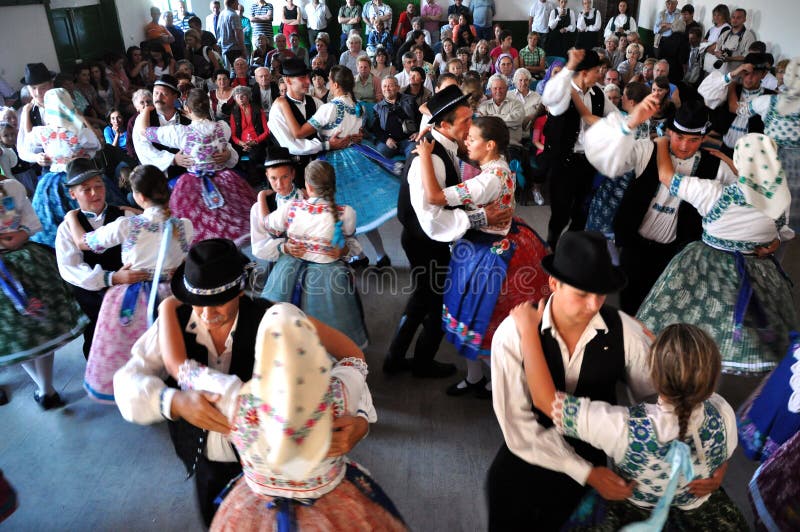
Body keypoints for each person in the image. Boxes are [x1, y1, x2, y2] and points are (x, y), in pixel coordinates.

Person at [114, 238, 372, 526]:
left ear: (239, 290)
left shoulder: (273, 323)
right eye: (199, 303)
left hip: (267, 472)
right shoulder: (173, 325)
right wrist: (173, 402)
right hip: (207, 463)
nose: (208, 315)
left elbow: (179, 366)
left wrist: (360, 419)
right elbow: (127, 381)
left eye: (218, 302)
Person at [162, 301, 405, 530]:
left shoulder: (238, 402)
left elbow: (178, 366)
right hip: (333, 505)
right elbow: (355, 358)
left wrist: (167, 307)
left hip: (254, 511)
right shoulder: (337, 395)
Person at [512, 296, 746, 530]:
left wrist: (528, 332)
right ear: (712, 379)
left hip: (632, 517)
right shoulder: (723, 412)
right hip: (700, 517)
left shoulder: (623, 429)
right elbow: (724, 455)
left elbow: (546, 401)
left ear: (653, 373)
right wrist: (718, 473)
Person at [487, 230, 655, 530]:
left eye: (601, 294)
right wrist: (585, 472)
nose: (594, 305)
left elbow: (654, 404)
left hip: (591, 477)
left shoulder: (627, 332)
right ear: (554, 283)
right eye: (582, 294)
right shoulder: (512, 334)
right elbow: (518, 426)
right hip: (524, 470)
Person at [637, 132, 797, 375]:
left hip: (707, 265)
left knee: (695, 319)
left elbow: (667, 176)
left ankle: (686, 372)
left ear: (741, 162)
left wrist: (661, 143)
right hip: (754, 269)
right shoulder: (781, 201)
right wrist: (771, 245)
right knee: (733, 327)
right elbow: (778, 236)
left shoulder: (714, 194)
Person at [414, 116, 550, 398]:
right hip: (488, 244)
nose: (466, 141)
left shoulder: (489, 180)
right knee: (470, 315)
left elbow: (435, 197)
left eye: (472, 138)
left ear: (489, 145)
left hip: (488, 256)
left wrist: (425, 155)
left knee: (478, 318)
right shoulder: (498, 166)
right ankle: (476, 378)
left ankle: (498, 384)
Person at [385, 85, 511, 378]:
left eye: (471, 117)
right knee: (438, 300)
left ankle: (396, 358)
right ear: (443, 125)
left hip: (426, 238)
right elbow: (432, 217)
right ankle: (421, 362)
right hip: (425, 240)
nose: (472, 126)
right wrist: (482, 217)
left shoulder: (441, 145)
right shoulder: (430, 158)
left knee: (422, 298)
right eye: (466, 121)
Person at [583, 96, 736, 316]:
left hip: (675, 254)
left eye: (694, 140)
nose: (684, 146)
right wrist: (629, 123)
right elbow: (603, 157)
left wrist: (731, 164)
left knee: (663, 307)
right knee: (629, 301)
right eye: (679, 137)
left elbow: (745, 196)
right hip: (635, 246)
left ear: (703, 138)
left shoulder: (716, 166)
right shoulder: (648, 150)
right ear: (670, 132)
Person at [64, 165, 192, 402]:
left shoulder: (127, 225)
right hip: (174, 291)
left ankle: (143, 393)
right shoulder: (184, 225)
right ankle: (176, 384)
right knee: (176, 339)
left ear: (139, 196)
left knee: (137, 346)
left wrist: (71, 217)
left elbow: (83, 242)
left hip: (136, 293)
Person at [273, 65, 400, 266]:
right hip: (356, 156)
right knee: (362, 208)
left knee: (338, 210)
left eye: (330, 81)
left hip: (335, 161)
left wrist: (283, 104)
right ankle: (379, 254)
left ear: (335, 85)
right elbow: (356, 133)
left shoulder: (329, 108)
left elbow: (298, 133)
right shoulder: (357, 106)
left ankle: (355, 255)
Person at [0, 162, 88, 409]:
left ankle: (46, 388)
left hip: (25, 261)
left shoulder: (12, 187)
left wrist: (21, 235)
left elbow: (32, 221)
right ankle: (44, 387)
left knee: (42, 327)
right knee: (19, 334)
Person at [257, 160, 368, 346]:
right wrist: (341, 249)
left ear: (307, 186)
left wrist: (261, 198)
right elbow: (349, 243)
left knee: (282, 320)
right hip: (329, 273)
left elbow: (266, 223)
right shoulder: (346, 212)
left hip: (289, 268)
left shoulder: (291, 207)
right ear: (333, 185)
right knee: (331, 325)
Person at [55, 159, 145, 361]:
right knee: (100, 342)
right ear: (73, 194)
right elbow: (71, 268)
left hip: (130, 290)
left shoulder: (124, 215)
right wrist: (111, 278)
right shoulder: (67, 229)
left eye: (98, 185)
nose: (95, 193)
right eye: (86, 189)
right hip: (94, 297)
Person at [139, 89, 254, 244]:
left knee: (194, 226)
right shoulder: (222, 127)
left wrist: (146, 110)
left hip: (193, 182)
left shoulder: (181, 132)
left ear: (187, 109)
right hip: (223, 178)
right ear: (208, 107)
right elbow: (226, 149)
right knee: (230, 219)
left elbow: (145, 131)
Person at [541, 48, 615, 249]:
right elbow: (549, 97)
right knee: (561, 212)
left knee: (582, 210)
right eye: (597, 71)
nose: (600, 74)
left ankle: (569, 247)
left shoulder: (598, 93)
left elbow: (615, 116)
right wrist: (569, 66)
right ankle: (552, 245)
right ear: (584, 72)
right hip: (562, 162)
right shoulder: (563, 92)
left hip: (587, 160)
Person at [19, 88, 101, 248]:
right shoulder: (80, 132)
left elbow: (24, 148)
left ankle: (63, 249)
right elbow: (96, 146)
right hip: (80, 177)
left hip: (53, 181)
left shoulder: (42, 132)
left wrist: (38, 156)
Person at [267, 58, 352, 189]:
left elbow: (331, 130)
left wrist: (349, 135)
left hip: (318, 167)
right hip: (292, 174)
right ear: (288, 80)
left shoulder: (316, 102)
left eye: (307, 76)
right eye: (302, 77)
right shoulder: (278, 109)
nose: (308, 81)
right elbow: (291, 146)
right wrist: (327, 145)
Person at [700, 54, 775, 154]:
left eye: (755, 74)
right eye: (746, 73)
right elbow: (706, 93)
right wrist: (732, 74)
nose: (749, 78)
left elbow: (735, 108)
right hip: (722, 144)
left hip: (750, 152)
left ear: (764, 74)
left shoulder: (769, 96)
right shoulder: (732, 88)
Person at [249, 146, 306, 266]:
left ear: (293, 174)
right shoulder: (260, 208)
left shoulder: (306, 199)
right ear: (267, 176)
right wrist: (283, 247)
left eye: (284, 177)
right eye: (273, 178)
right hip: (282, 263)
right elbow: (258, 248)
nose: (279, 184)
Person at [708, 8, 756, 75]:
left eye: (738, 18)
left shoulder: (748, 36)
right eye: (733, 17)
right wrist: (718, 54)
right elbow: (716, 50)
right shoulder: (725, 33)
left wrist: (730, 58)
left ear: (744, 20)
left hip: (736, 75)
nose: (734, 20)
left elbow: (748, 57)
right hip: (721, 72)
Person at [217, 0, 245, 67]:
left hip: (225, 48)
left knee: (229, 70)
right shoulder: (234, 15)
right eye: (237, 2)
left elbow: (218, 31)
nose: (238, 4)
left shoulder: (222, 14)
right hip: (235, 49)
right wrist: (243, 49)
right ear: (233, 3)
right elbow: (237, 34)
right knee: (239, 69)